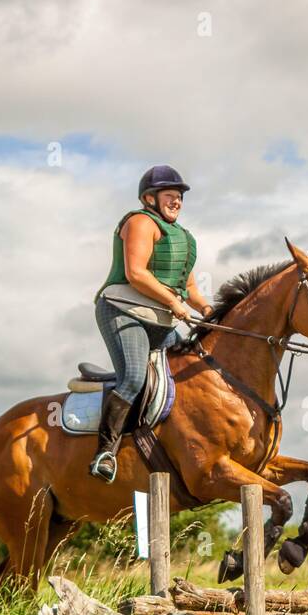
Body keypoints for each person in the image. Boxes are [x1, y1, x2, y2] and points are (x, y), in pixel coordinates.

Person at [90, 165, 214, 482]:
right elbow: (136, 273)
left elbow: (191, 290)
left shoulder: (184, 237)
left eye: (179, 197)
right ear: (150, 198)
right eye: (170, 196)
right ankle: (105, 452)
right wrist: (174, 303)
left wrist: (208, 310)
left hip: (159, 319)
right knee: (134, 377)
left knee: (194, 368)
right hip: (123, 310)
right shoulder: (140, 222)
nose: (177, 202)